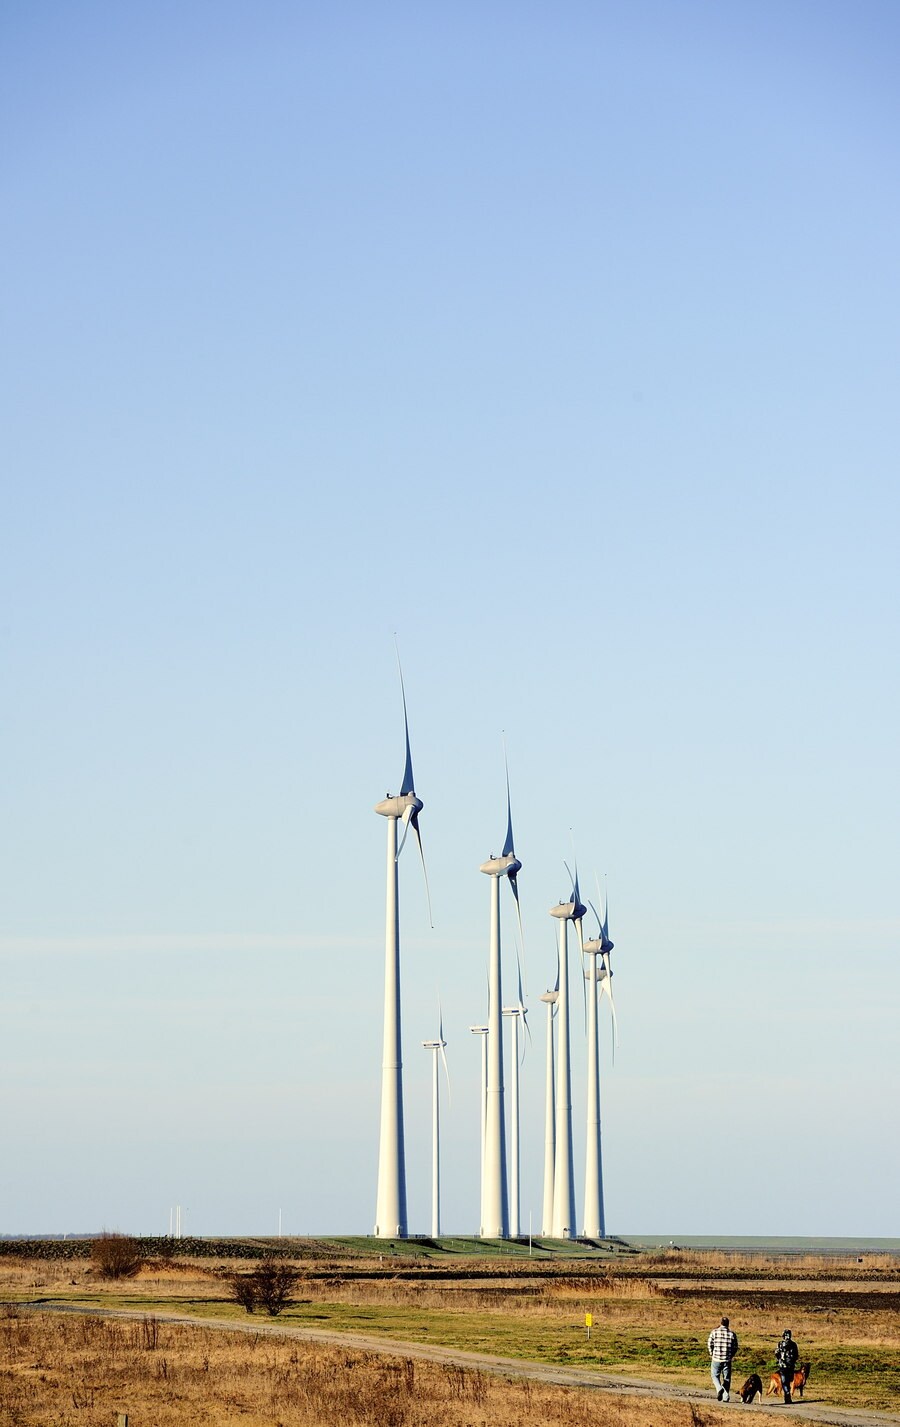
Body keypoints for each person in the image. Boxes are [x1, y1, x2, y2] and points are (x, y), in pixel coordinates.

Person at [707, 1315, 739, 1401]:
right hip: (727, 1359)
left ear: (721, 1323)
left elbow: (709, 1343)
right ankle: (726, 1397)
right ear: (728, 1324)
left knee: (714, 1375)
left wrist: (711, 1353)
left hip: (716, 1359)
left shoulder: (714, 1332)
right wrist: (731, 1355)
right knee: (726, 1378)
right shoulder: (732, 1334)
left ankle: (719, 1388)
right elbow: (735, 1347)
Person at [776, 1329, 800, 1403]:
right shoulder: (793, 1344)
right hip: (789, 1366)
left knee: (785, 1381)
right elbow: (796, 1355)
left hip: (784, 1366)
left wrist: (780, 1359)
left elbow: (776, 1353)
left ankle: (787, 1394)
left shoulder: (780, 1344)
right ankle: (787, 1395)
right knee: (787, 1381)